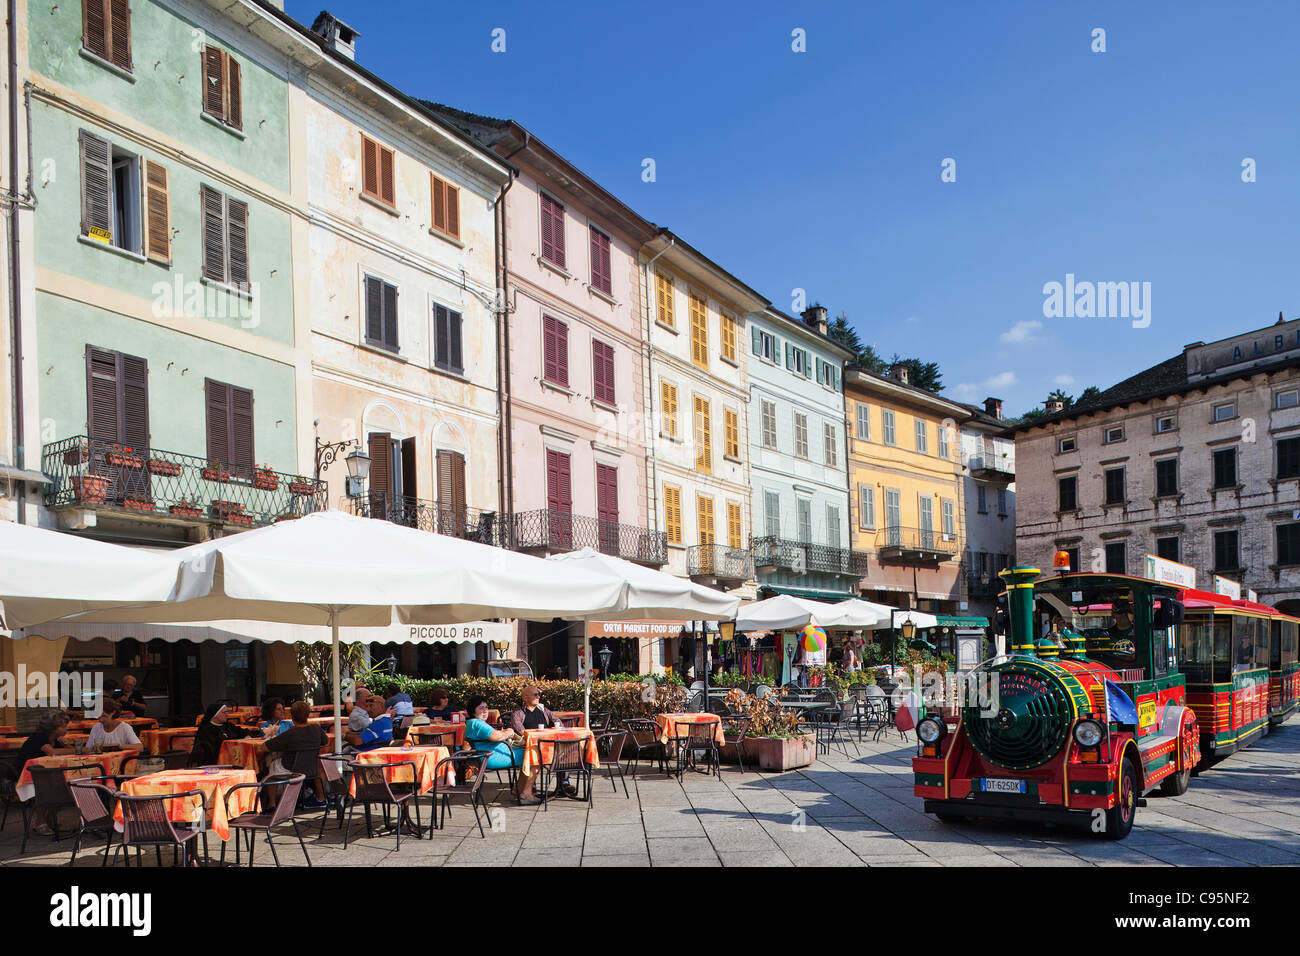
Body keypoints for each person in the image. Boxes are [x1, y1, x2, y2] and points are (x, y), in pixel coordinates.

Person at [463, 695, 536, 804]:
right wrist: (509, 732)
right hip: (493, 757)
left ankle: (519, 790)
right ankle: (526, 794)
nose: (485, 711)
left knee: (528, 753)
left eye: (486, 707)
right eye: (481, 708)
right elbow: (496, 736)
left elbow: (495, 734)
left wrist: (504, 733)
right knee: (534, 755)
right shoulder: (476, 723)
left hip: (490, 755)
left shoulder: (473, 723)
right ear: (473, 710)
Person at [510, 687, 576, 797]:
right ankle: (531, 785)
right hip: (530, 744)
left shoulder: (544, 710)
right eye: (535, 695)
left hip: (548, 743)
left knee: (566, 750)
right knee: (536, 753)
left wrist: (556, 727)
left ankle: (563, 783)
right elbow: (520, 731)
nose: (538, 697)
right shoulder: (518, 713)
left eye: (539, 694)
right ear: (525, 698)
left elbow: (557, 721)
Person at [15, 711, 73, 835]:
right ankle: (40, 822)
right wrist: (75, 749)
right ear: (52, 728)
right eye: (63, 726)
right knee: (49, 786)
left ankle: (50, 820)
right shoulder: (39, 737)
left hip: (43, 774)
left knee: (61, 783)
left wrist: (66, 746)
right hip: (23, 776)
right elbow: (51, 752)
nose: (66, 728)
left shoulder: (55, 740)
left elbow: (64, 753)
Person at [264, 701, 328, 807]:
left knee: (273, 766)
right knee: (319, 764)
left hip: (292, 767)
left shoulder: (290, 734)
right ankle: (321, 799)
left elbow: (265, 747)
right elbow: (326, 742)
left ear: (292, 716)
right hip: (311, 767)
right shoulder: (316, 729)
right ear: (308, 715)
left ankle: (271, 804)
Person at [189, 703, 252, 767]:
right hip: (215, 765)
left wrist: (246, 735)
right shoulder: (206, 730)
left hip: (234, 760)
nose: (227, 715)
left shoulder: (228, 726)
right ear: (215, 715)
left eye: (227, 712)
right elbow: (212, 750)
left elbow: (243, 731)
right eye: (224, 712)